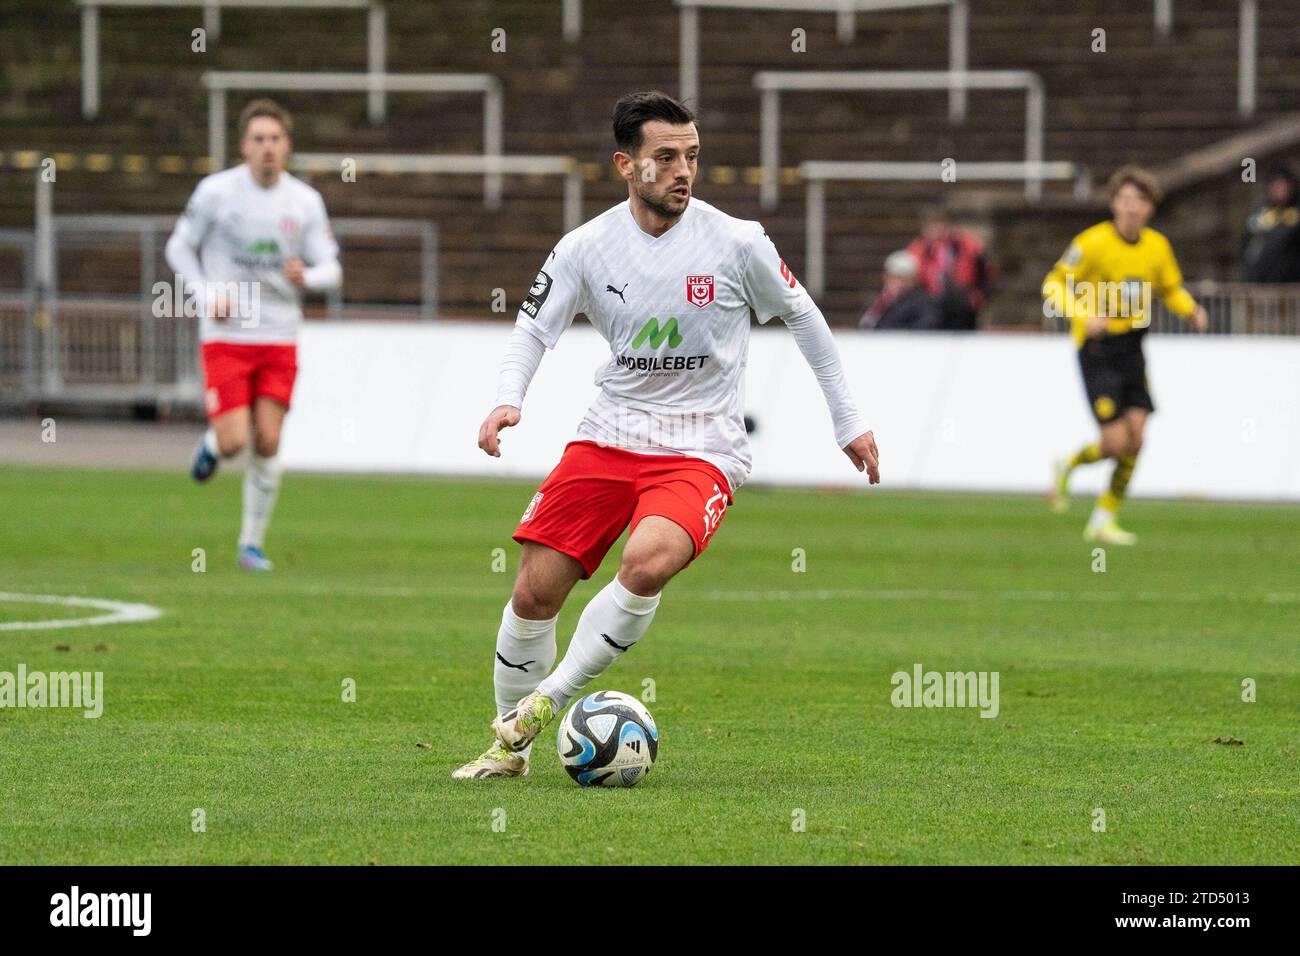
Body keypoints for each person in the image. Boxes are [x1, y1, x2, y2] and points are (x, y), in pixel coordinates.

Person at [453, 91, 880, 780]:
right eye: (666, 158)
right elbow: (534, 327)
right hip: (609, 435)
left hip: (701, 447)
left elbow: (805, 318)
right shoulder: (586, 247)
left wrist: (847, 420)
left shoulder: (738, 242)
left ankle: (545, 702)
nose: (684, 171)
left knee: (648, 561)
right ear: (626, 165)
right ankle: (513, 754)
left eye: (692, 157)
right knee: (534, 591)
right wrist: (508, 400)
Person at [165, 98, 341, 571]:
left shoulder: (305, 202)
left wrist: (310, 276)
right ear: (243, 146)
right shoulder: (216, 193)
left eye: (275, 139)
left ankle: (251, 544)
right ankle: (209, 445)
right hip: (227, 335)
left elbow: (332, 268)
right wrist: (204, 295)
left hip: (280, 336)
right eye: (259, 139)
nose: (267, 147)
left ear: (287, 146)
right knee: (231, 443)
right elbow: (179, 246)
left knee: (267, 440)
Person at [1044, 166, 1207, 545]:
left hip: (1133, 347)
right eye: (1126, 200)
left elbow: (1170, 287)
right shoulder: (1092, 242)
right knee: (1116, 441)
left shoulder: (1157, 247)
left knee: (1137, 439)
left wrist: (1191, 309)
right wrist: (1084, 315)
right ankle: (1067, 464)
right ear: (1115, 203)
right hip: (1098, 350)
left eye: (1141, 201)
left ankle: (1103, 519)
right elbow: (1053, 284)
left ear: (1150, 208)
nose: (1132, 208)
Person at [907, 206, 993, 330]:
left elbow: (985, 274)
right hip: (930, 304)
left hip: (962, 303)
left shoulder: (968, 246)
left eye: (941, 225)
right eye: (932, 227)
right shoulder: (917, 251)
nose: (937, 231)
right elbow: (911, 279)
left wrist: (977, 298)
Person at [1241, 167, 1300, 283]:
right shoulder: (1260, 213)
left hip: (1291, 284)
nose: (1280, 190)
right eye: (1276, 186)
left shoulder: (1296, 212)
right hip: (1262, 283)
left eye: (1283, 185)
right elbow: (1247, 246)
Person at [859, 249, 942, 330]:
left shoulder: (923, 303)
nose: (898, 282)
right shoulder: (880, 300)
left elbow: (924, 327)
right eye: (893, 277)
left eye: (903, 278)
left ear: (913, 280)